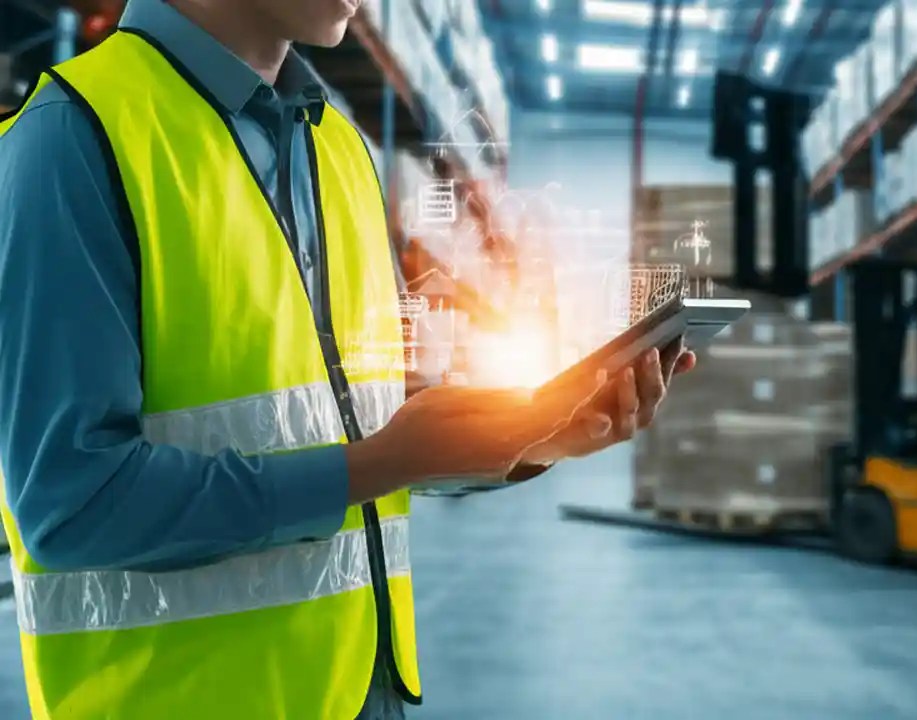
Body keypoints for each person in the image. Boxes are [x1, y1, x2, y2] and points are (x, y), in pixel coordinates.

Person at [0, 0, 694, 717]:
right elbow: (71, 505)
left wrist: (538, 438)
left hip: (361, 693)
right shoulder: (72, 138)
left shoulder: (339, 148)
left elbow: (362, 427)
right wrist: (383, 464)